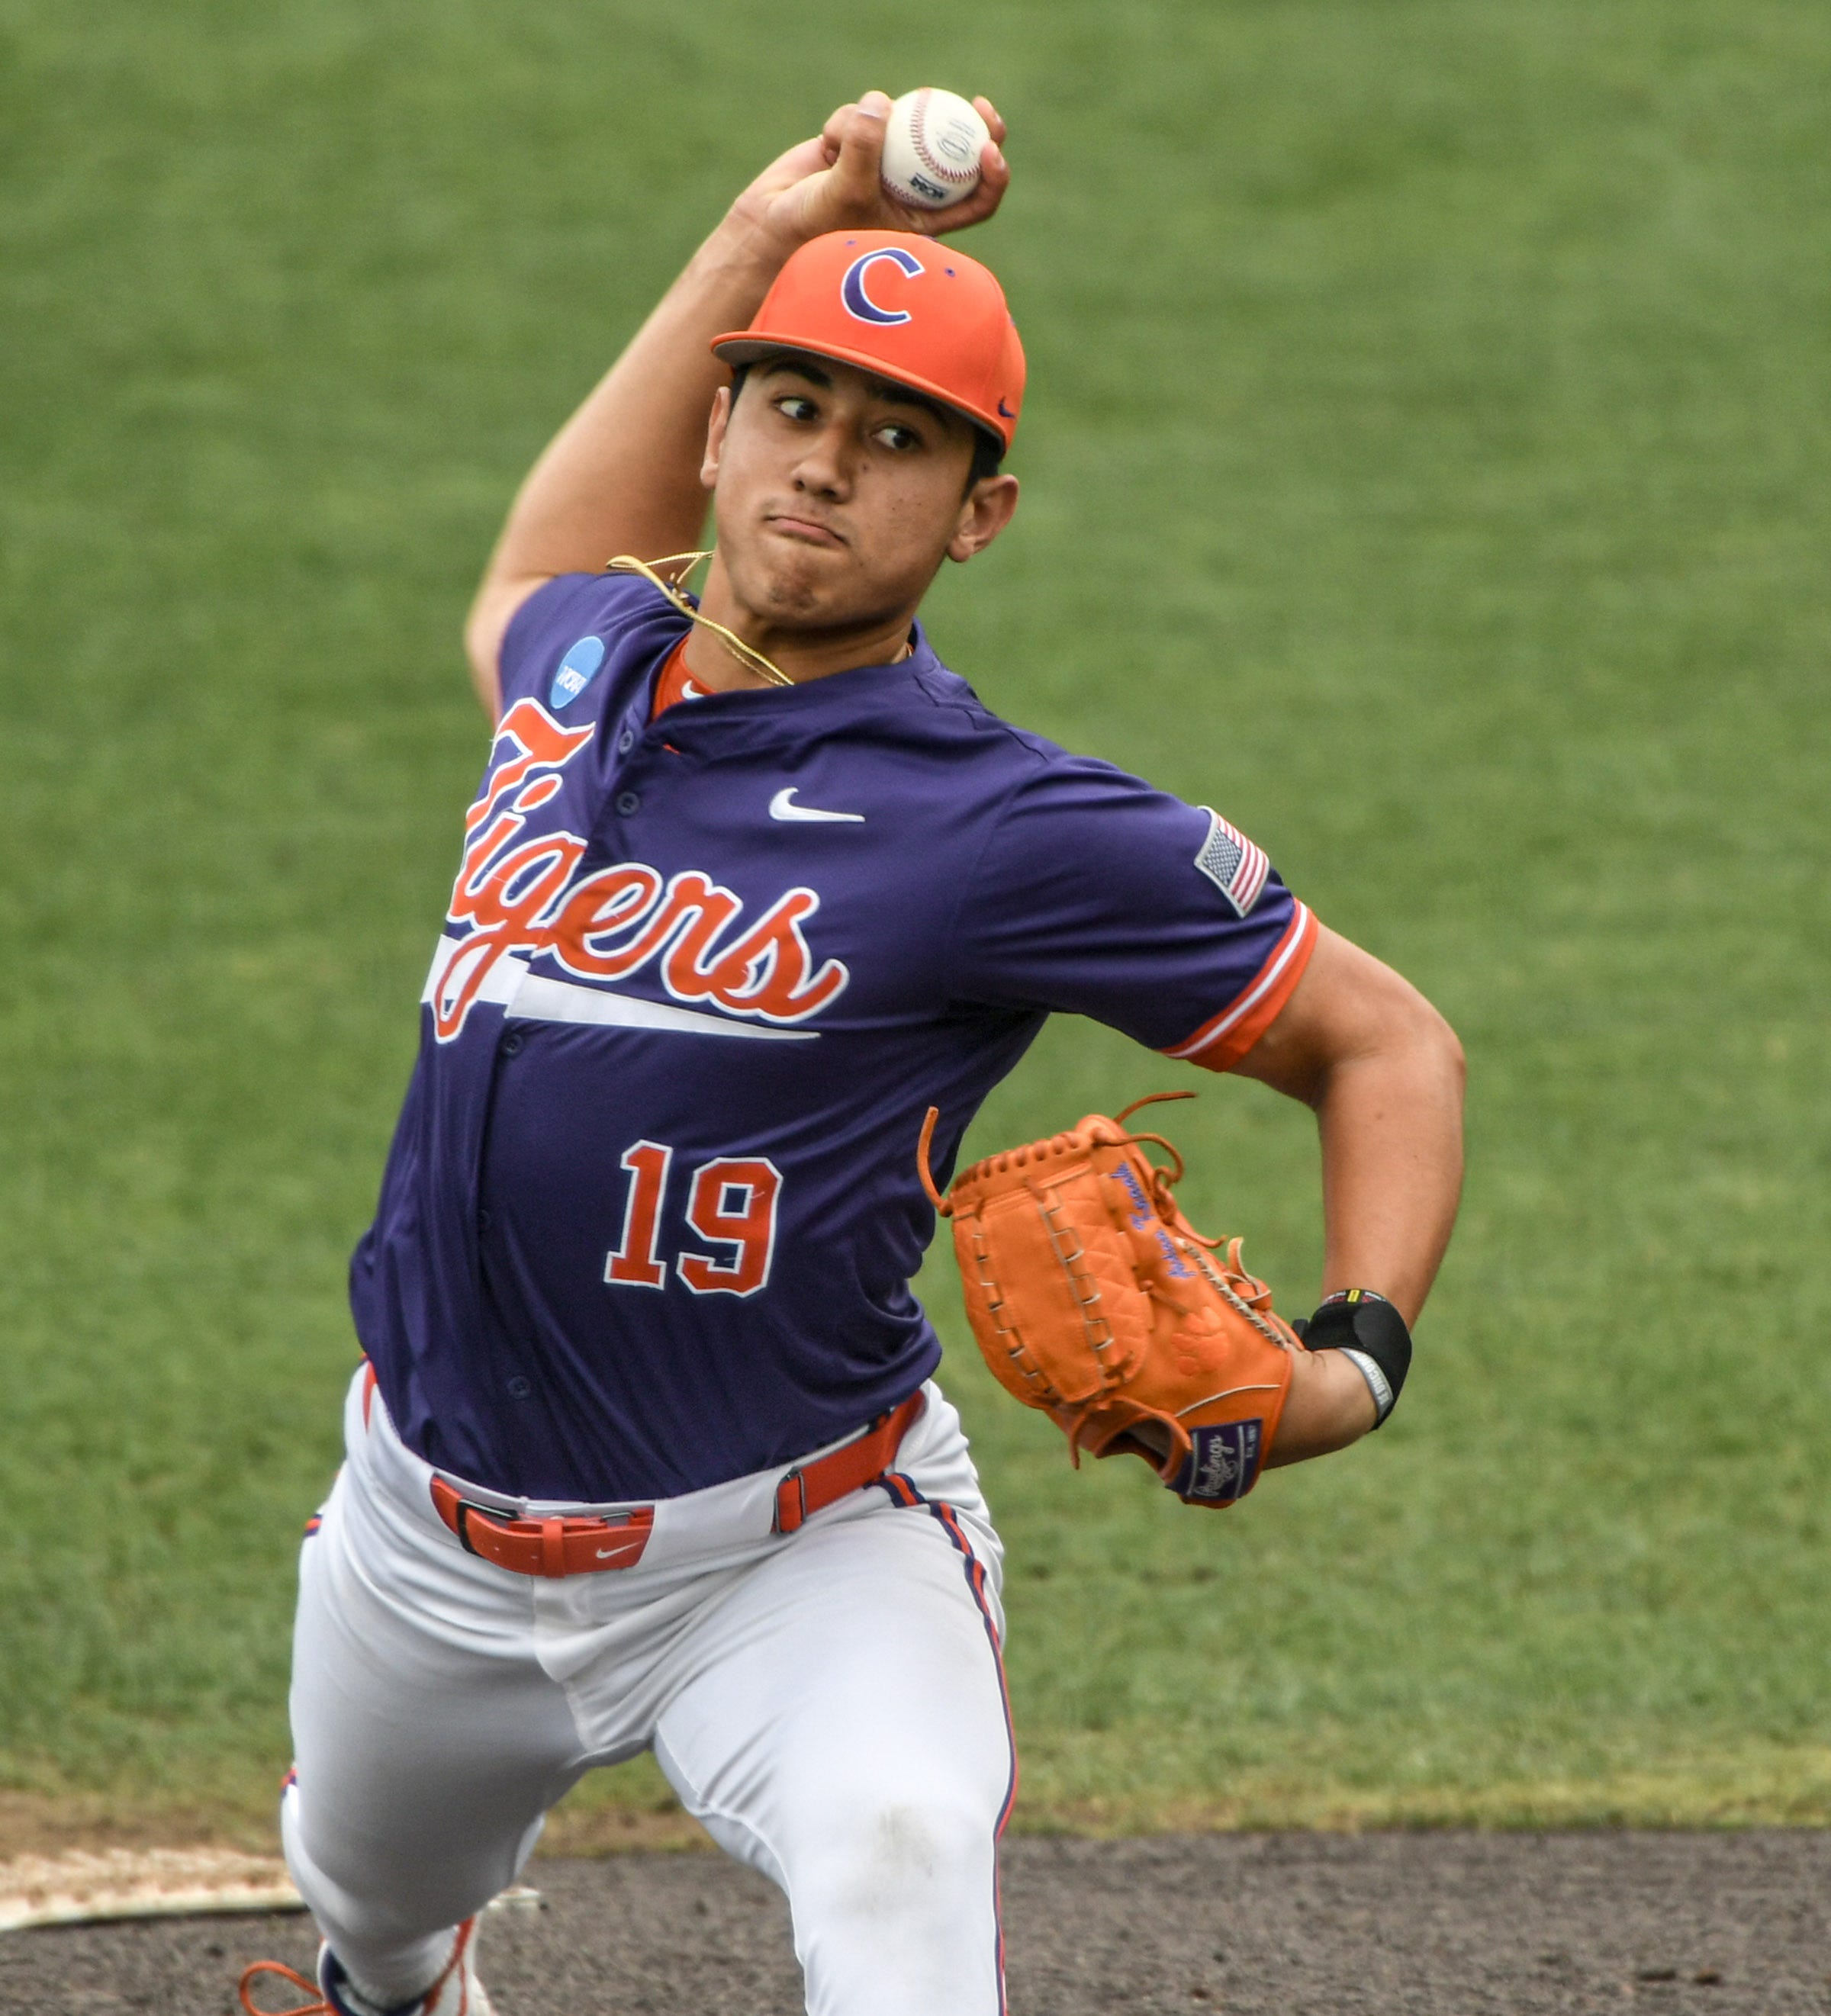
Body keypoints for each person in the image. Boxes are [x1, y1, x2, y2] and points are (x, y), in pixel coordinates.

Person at [241, 89, 1464, 2016]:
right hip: (429, 1534)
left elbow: (1384, 1040)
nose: (826, 466)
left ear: (978, 513)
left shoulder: (1002, 823)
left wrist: (1351, 1367)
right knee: (370, 1923)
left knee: (896, 1865)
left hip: (796, 1549)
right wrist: (759, 226)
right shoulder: (579, 669)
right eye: (792, 408)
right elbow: (528, 571)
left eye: (896, 438)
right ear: (718, 433)